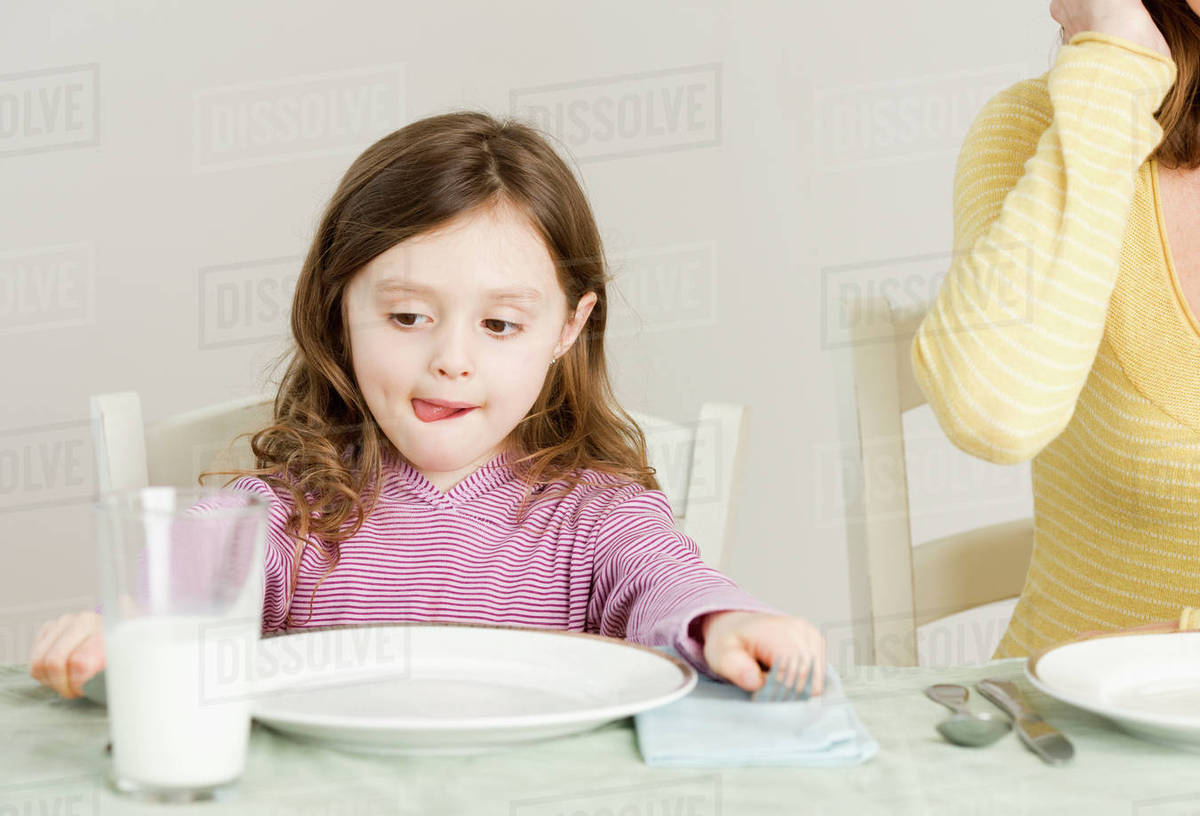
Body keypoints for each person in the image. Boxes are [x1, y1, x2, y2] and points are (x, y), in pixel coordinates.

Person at [30, 111, 826, 699]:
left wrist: (726, 623)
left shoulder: (599, 516)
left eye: (500, 324)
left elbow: (670, 583)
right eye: (407, 317)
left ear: (566, 327)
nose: (451, 360)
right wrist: (131, 619)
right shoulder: (288, 511)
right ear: (340, 309)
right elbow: (197, 558)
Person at [913, 0, 1200, 658]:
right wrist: (1116, 59)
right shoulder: (1059, 118)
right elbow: (992, 409)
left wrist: (1179, 644)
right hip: (1073, 743)